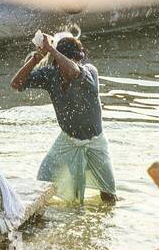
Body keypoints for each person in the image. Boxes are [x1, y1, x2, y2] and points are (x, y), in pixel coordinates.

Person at [11, 26, 117, 202]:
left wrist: (51, 49)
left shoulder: (89, 72)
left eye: (73, 61)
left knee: (108, 193)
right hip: (67, 140)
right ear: (55, 63)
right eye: (60, 64)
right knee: (43, 180)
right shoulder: (51, 75)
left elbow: (74, 72)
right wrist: (37, 57)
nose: (64, 70)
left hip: (95, 141)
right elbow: (16, 84)